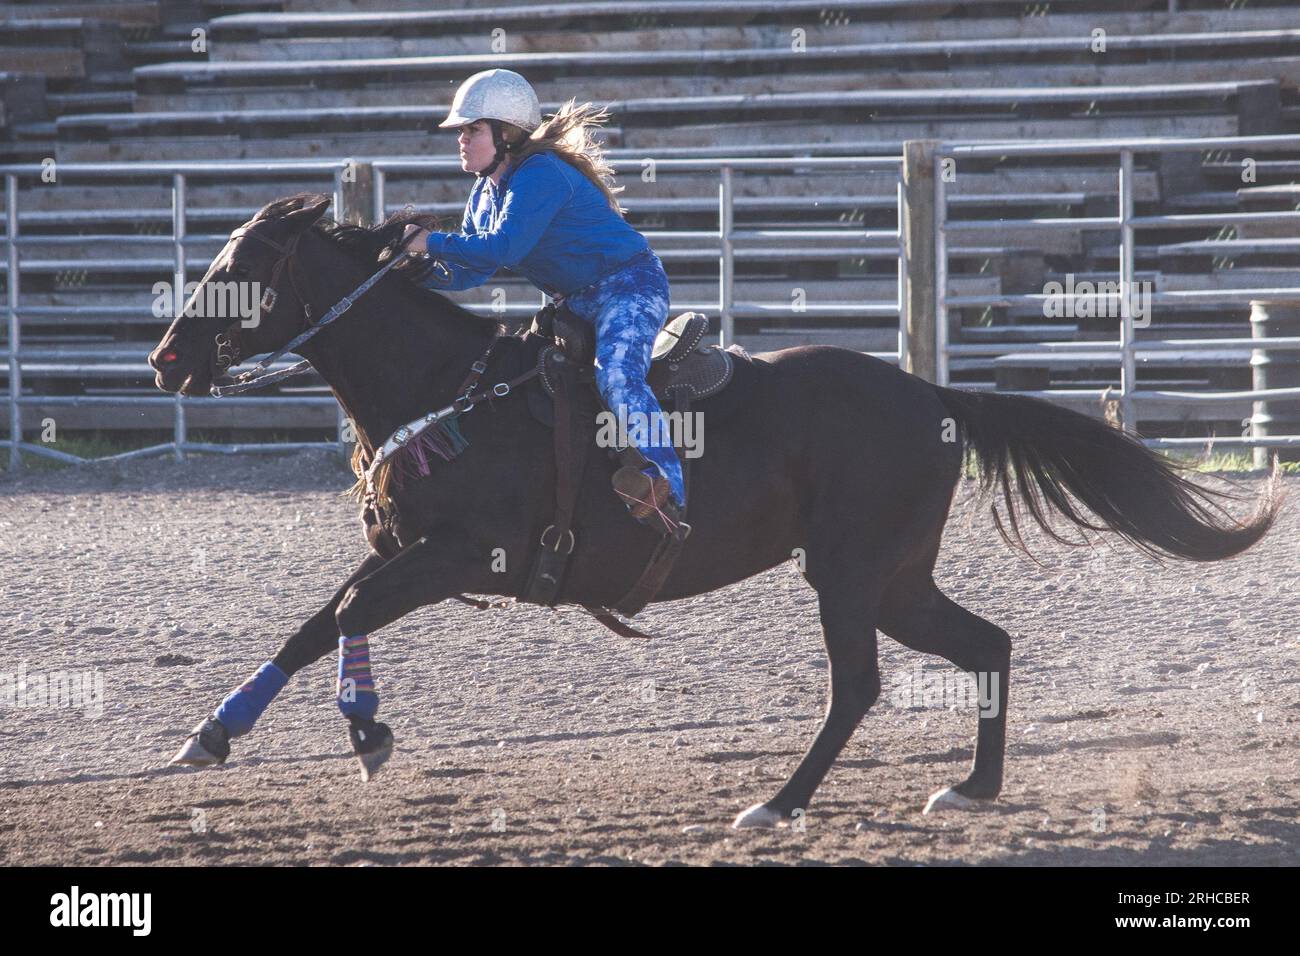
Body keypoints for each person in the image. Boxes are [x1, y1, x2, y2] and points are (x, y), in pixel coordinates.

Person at [397, 68, 686, 527]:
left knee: (617, 377)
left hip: (629, 287)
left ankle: (667, 487)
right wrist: (412, 274)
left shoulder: (542, 175)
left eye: (473, 129)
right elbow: (472, 270)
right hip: (574, 300)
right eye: (462, 130)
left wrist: (427, 242)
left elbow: (502, 248)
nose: (462, 140)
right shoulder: (484, 193)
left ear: (507, 133)